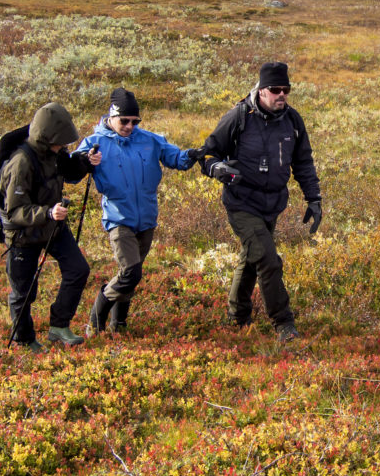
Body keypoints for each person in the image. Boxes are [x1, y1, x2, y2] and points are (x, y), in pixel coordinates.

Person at [198, 61, 322, 342]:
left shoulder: (293, 120)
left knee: (252, 258)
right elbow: (206, 154)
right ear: (262, 90)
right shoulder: (238, 117)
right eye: (275, 89)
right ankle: (284, 324)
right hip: (241, 203)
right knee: (268, 260)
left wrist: (314, 198)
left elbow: (303, 162)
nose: (281, 95)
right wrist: (216, 168)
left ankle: (237, 315)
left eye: (286, 90)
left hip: (273, 204)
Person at [76, 87, 197, 335]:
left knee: (131, 274)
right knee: (131, 271)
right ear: (111, 116)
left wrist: (197, 154)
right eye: (125, 121)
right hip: (118, 219)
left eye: (135, 121)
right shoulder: (94, 144)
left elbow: (178, 159)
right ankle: (97, 315)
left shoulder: (150, 140)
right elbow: (71, 169)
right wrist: (85, 160)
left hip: (147, 219)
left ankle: (118, 324)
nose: (130, 126)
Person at [1, 101, 101, 353]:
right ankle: (24, 340)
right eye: (61, 142)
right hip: (23, 234)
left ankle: (59, 326)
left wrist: (86, 162)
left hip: (52, 227)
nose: (64, 147)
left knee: (78, 270)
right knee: (24, 293)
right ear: (47, 138)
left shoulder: (53, 154)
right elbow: (14, 210)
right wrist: (47, 212)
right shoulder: (21, 162)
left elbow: (68, 170)